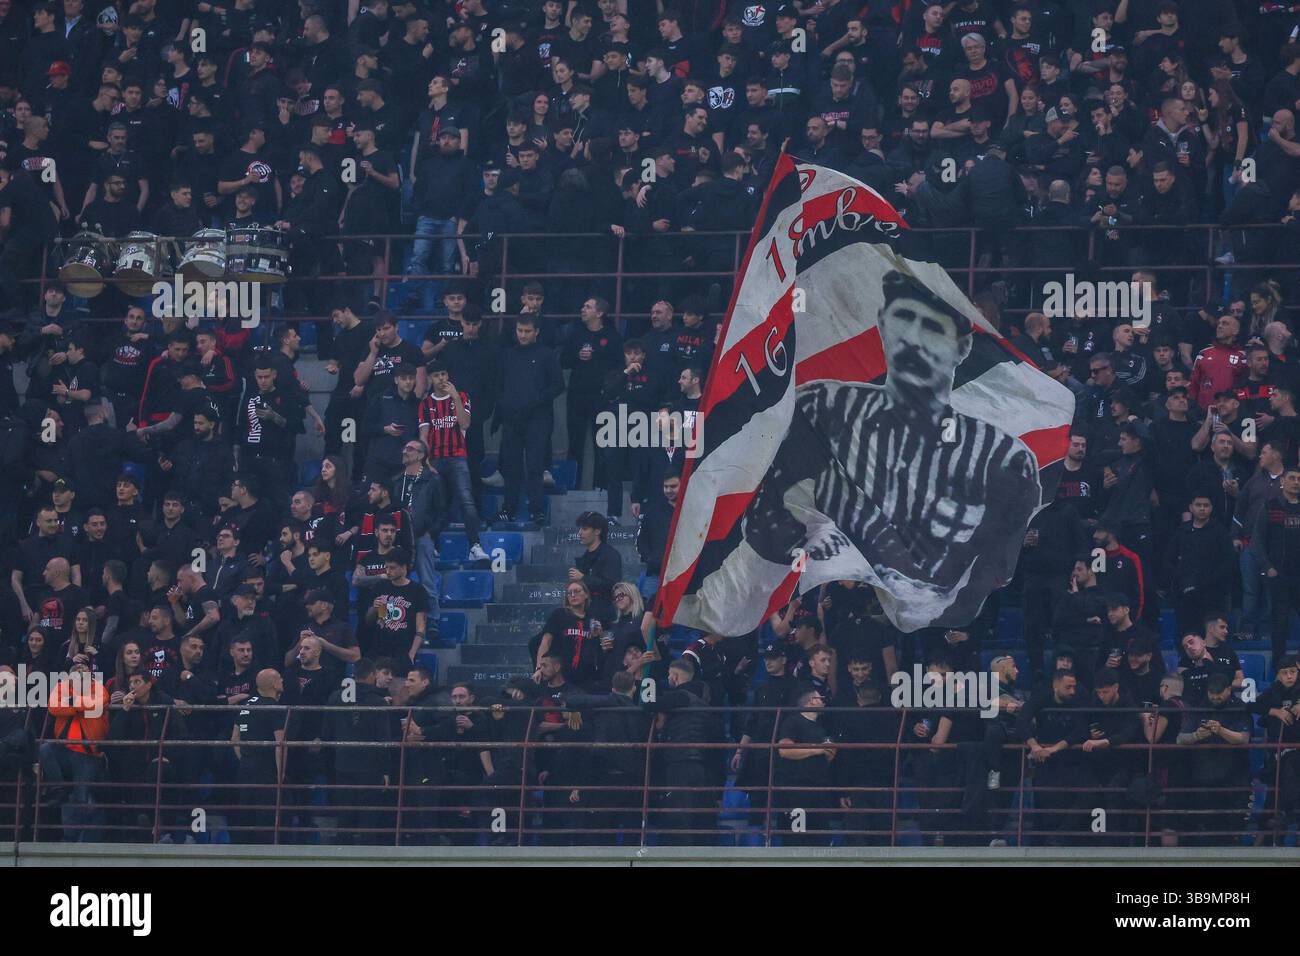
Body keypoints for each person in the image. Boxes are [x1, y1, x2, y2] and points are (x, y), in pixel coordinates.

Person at [745, 269, 1041, 632]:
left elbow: (996, 567)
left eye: (931, 327)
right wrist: (822, 555)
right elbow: (760, 509)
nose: (913, 339)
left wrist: (933, 608)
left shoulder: (1003, 459)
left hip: (940, 630)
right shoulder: (823, 407)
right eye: (904, 319)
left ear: (962, 346)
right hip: (847, 613)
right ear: (883, 325)